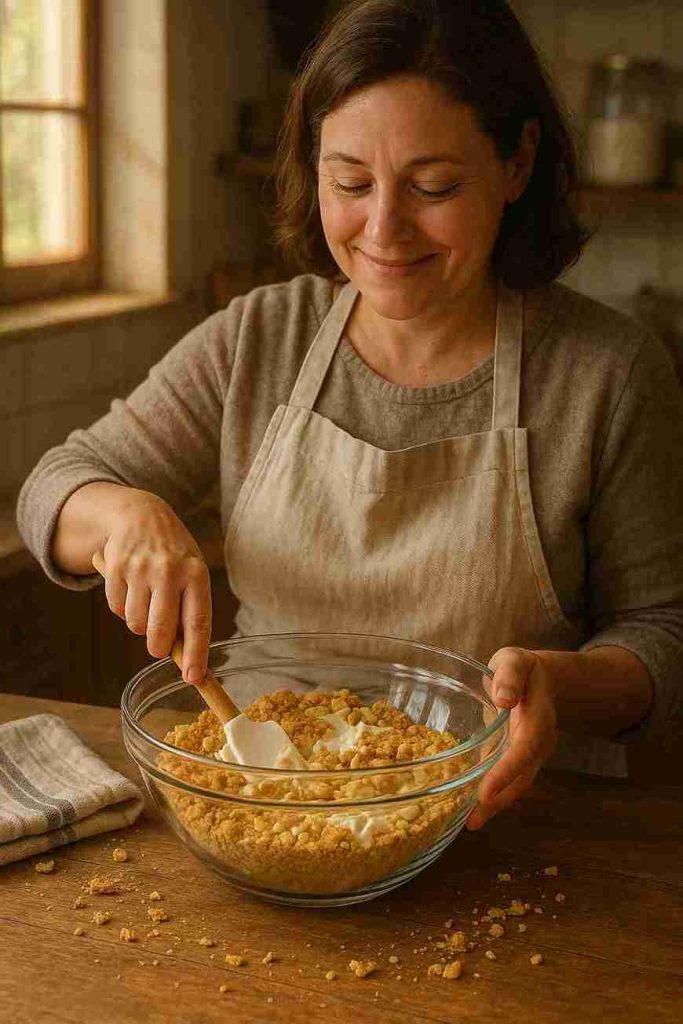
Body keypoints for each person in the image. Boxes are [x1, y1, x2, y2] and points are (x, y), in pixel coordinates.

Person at [17, 0, 683, 832]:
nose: (383, 229)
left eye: (433, 186)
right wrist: (125, 514)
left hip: (511, 823)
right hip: (265, 807)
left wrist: (561, 684)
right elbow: (53, 489)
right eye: (350, 183)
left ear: (516, 162)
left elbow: (663, 634)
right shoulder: (260, 338)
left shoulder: (607, 372)